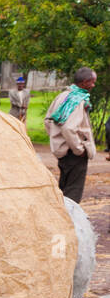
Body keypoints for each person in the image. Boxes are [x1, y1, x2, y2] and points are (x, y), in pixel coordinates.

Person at [44, 67, 97, 202]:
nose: (93, 85)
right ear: (85, 82)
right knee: (72, 195)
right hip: (73, 154)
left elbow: (48, 121)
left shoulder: (63, 96)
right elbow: (68, 128)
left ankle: (61, 220)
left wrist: (57, 140)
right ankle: (70, 221)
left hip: (64, 153)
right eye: (92, 82)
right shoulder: (76, 100)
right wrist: (79, 150)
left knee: (64, 191)